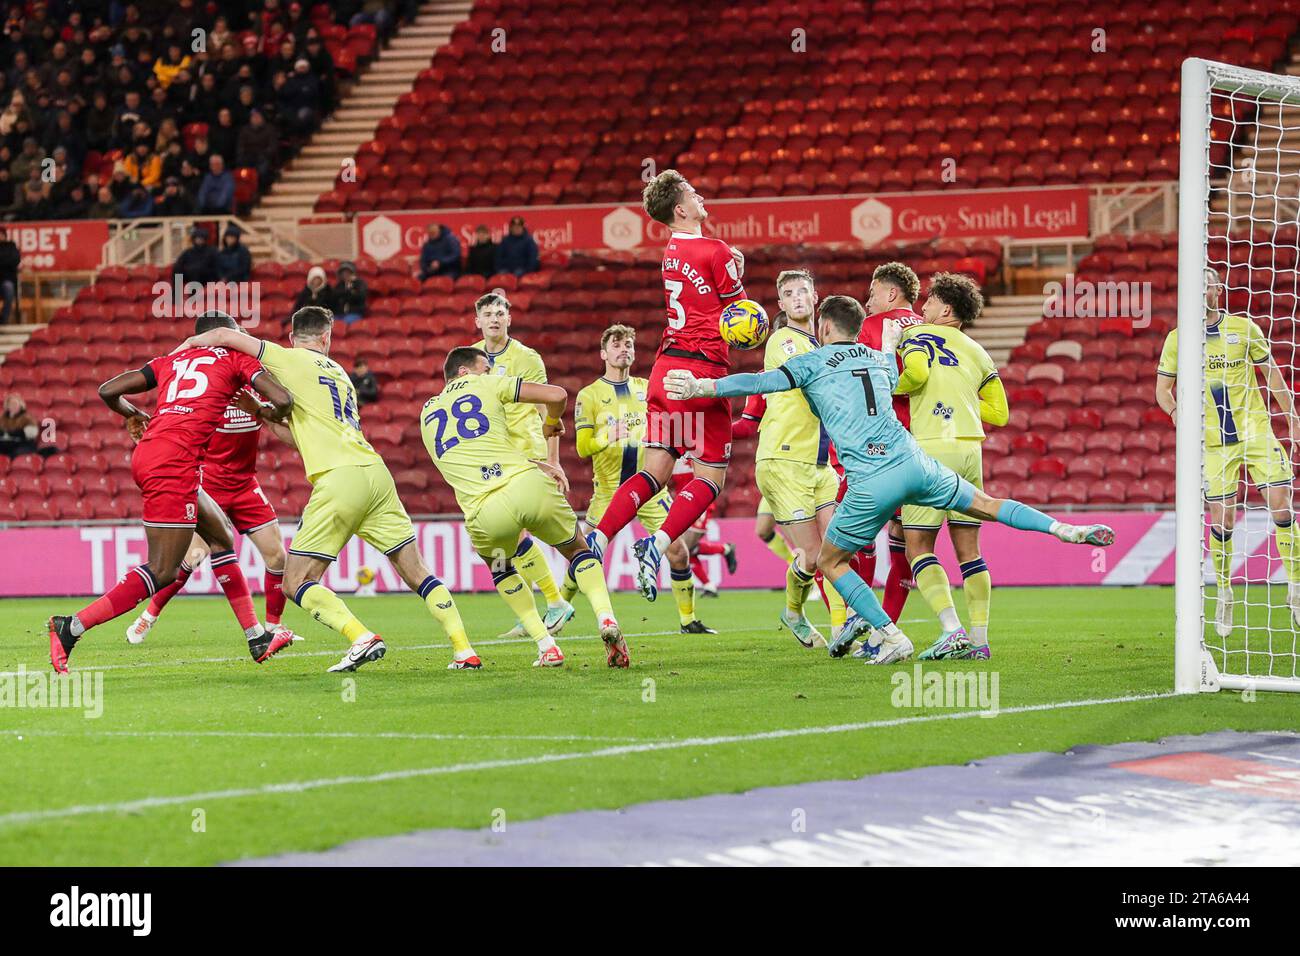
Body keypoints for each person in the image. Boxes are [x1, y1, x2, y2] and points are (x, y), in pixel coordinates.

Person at [665, 294, 1115, 665]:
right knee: (987, 503)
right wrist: (892, 341)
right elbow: (886, 366)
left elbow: (758, 383)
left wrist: (702, 387)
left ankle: (890, 634)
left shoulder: (813, 361)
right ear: (860, 328)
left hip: (872, 479)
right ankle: (1065, 529)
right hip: (916, 462)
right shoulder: (879, 361)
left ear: (822, 328)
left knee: (830, 560)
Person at [179, 306, 480, 673]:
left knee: (295, 581)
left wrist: (186, 349)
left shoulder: (289, 360)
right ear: (327, 338)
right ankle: (464, 650)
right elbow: (302, 438)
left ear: (293, 338)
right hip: (375, 473)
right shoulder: (340, 374)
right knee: (416, 570)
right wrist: (259, 413)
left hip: (339, 479)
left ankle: (360, 636)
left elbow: (225, 336)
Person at [47, 313, 296, 674]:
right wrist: (260, 409)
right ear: (227, 337)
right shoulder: (237, 358)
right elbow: (284, 401)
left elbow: (107, 390)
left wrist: (134, 413)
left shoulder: (171, 360)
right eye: (237, 334)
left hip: (155, 454)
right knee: (162, 569)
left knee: (222, 536)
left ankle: (257, 636)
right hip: (174, 465)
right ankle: (70, 627)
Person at [585, 170, 746, 604]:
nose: (701, 195)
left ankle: (599, 537)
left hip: (664, 368)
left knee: (654, 472)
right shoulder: (717, 250)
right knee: (710, 477)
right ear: (680, 209)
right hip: (701, 372)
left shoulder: (671, 251)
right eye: (693, 193)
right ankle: (655, 545)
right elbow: (740, 320)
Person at [422, 346, 629, 668]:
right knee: (578, 551)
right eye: (485, 368)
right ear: (465, 372)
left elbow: (475, 455)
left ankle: (546, 646)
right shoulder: (485, 384)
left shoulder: (427, 413)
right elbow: (556, 394)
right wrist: (552, 424)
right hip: (527, 486)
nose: (489, 373)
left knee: (501, 567)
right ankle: (605, 619)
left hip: (485, 511)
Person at [126, 313, 295, 644]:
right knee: (191, 558)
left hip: (245, 485)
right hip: (209, 485)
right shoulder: (206, 385)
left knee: (277, 556)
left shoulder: (246, 379)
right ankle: (148, 616)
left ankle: (273, 627)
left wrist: (258, 408)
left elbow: (282, 412)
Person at [1156, 268, 1300, 633]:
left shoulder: (1245, 328)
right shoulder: (1178, 340)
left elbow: (1273, 375)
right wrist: (1176, 413)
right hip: (1215, 443)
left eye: (1211, 282)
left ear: (1218, 290)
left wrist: (1292, 417)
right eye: (1199, 282)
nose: (1206, 287)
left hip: (1256, 432)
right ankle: (1223, 593)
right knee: (1221, 520)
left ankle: (1295, 586)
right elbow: (1162, 390)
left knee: (1281, 504)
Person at [565, 324, 715, 635]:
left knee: (678, 551)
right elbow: (581, 448)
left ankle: (688, 621)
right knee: (584, 552)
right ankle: (559, 608)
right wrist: (606, 437)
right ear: (603, 353)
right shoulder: (590, 394)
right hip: (608, 491)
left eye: (629, 344)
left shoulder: (647, 388)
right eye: (617, 344)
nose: (625, 349)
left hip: (651, 488)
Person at [896, 273, 1008, 661]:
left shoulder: (916, 336)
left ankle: (951, 629)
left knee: (918, 547)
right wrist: (961, 404)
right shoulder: (979, 351)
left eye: (928, 302)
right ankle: (979, 639)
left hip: (930, 450)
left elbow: (918, 374)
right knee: (969, 550)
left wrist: (891, 387)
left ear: (945, 309)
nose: (922, 307)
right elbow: (1001, 413)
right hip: (970, 451)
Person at [753, 269, 848, 648]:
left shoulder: (821, 343)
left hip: (820, 462)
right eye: (788, 293)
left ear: (814, 298)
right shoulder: (783, 341)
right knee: (813, 554)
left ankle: (841, 628)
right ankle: (794, 611)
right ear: (781, 304)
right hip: (784, 459)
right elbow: (818, 381)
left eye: (802, 291)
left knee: (836, 549)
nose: (796, 298)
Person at [471, 291, 572, 636]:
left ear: (509, 319)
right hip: (492, 453)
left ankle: (555, 603)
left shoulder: (527, 358)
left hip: (526, 447)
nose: (495, 318)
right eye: (488, 314)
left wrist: (553, 459)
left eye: (500, 312)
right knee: (502, 538)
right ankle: (538, 609)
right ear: (478, 321)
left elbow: (548, 410)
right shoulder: (470, 360)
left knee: (516, 529)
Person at [854, 262, 928, 621]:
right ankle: (889, 628)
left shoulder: (873, 326)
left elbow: (861, 380)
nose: (868, 302)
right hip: (926, 444)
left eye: (872, 293)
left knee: (851, 531)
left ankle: (860, 620)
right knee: (907, 542)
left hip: (882, 443)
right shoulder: (931, 328)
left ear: (891, 293)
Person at [0, 226, 18, 324]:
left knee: (9, 288)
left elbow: (15, 260)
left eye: (1, 234)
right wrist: (5, 260)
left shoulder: (11, 246)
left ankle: (3, 319)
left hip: (6, 281)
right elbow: (9, 261)